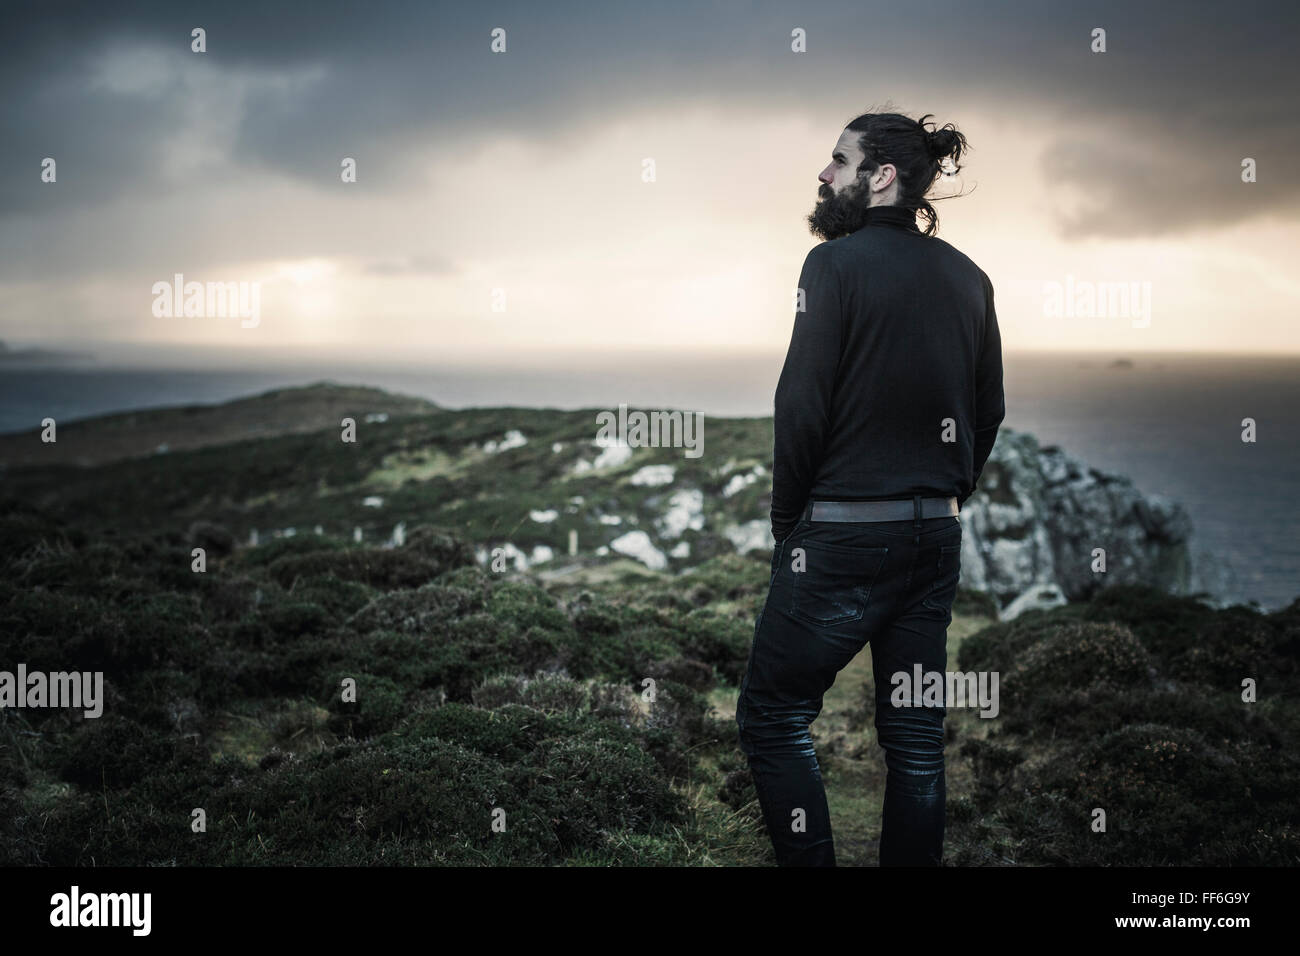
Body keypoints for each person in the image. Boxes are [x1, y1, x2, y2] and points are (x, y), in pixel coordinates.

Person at [735, 110, 1005, 866]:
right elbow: (989, 411)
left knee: (772, 718)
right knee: (917, 740)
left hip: (841, 535)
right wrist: (949, 498)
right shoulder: (970, 278)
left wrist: (790, 522)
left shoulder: (831, 268)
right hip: (934, 537)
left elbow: (800, 406)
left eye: (838, 161)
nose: (825, 176)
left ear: (881, 176)